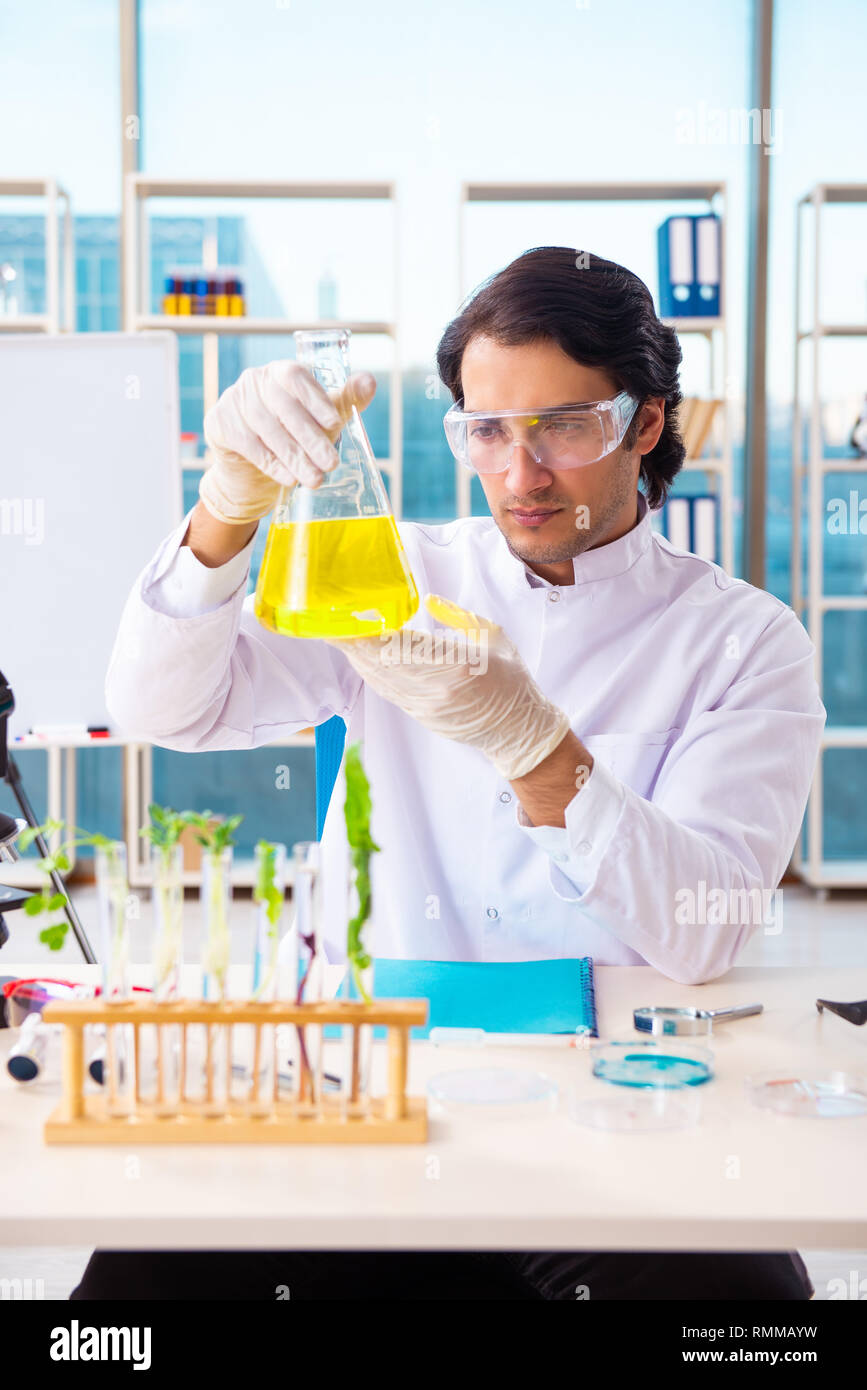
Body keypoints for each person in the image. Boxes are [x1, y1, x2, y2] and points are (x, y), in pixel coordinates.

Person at [75, 248, 823, 1301]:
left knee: (748, 1320)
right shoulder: (400, 572)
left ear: (647, 423)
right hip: (366, 1083)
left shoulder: (747, 643)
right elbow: (165, 707)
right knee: (133, 1299)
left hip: (613, 1103)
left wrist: (538, 751)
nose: (522, 474)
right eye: (487, 430)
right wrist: (225, 510)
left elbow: (700, 930)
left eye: (564, 425)